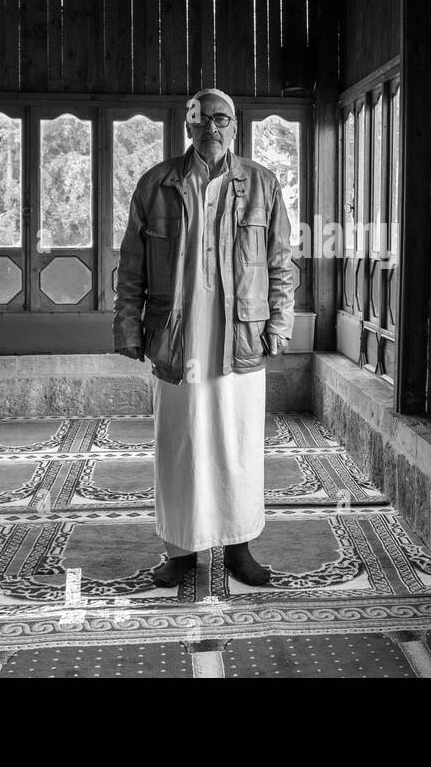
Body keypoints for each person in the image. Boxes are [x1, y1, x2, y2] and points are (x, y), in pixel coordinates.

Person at [113, 88, 295, 587]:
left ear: (234, 126)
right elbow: (131, 267)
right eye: (201, 119)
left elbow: (280, 262)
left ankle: (239, 547)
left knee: (237, 447)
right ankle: (180, 551)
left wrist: (279, 324)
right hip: (176, 340)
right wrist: (128, 327)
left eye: (221, 119)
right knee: (180, 447)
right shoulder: (156, 185)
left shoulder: (262, 183)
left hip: (241, 338)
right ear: (188, 126)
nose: (211, 128)